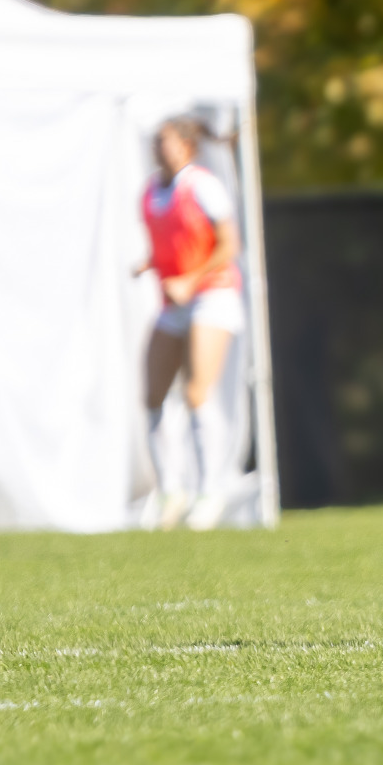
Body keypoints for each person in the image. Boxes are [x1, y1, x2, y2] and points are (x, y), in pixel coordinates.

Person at [136, 116, 244, 531]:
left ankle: (210, 492)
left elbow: (228, 245)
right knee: (154, 394)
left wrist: (191, 279)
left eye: (165, 141)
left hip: (212, 294)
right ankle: (171, 491)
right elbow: (172, 244)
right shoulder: (150, 191)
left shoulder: (202, 186)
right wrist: (150, 263)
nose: (158, 149)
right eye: (155, 142)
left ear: (186, 145)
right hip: (174, 300)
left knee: (198, 392)